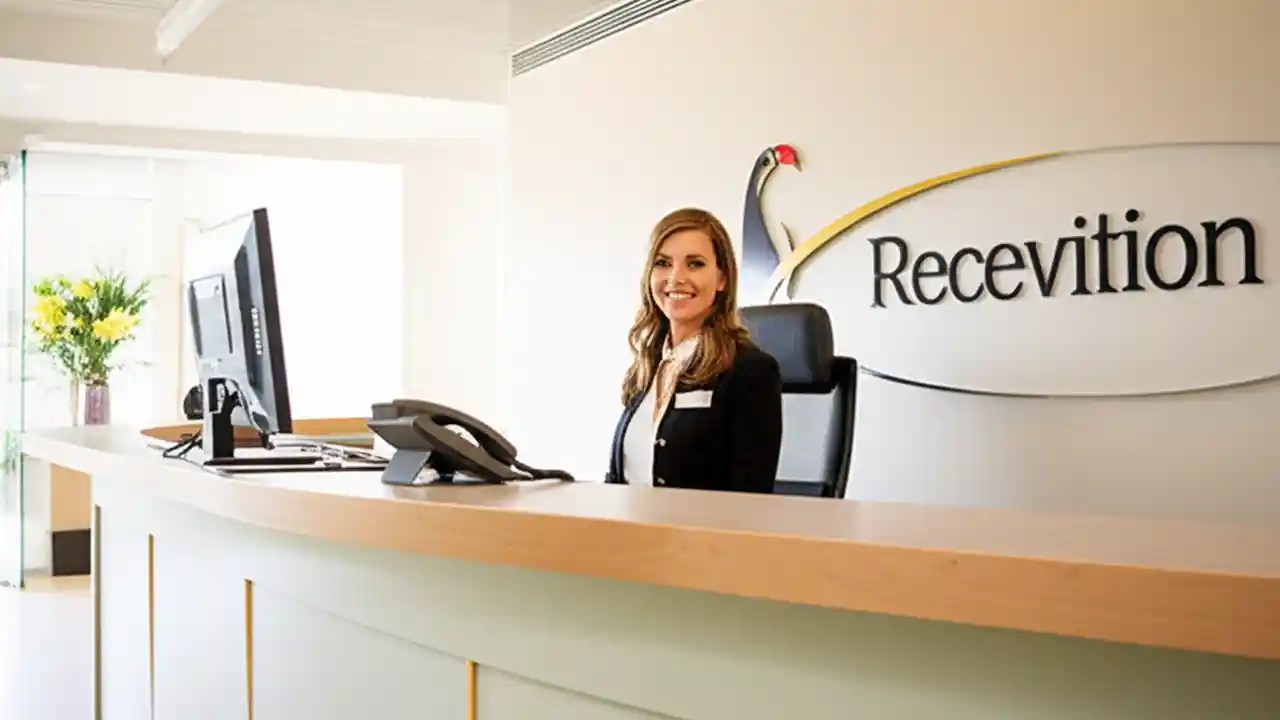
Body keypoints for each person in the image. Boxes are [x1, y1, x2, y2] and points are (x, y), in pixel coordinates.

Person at [606, 207, 783, 493]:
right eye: (663, 263)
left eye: (695, 264)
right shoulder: (648, 366)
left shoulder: (750, 372)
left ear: (722, 279)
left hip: (701, 536)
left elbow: (750, 500)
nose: (675, 278)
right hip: (631, 534)